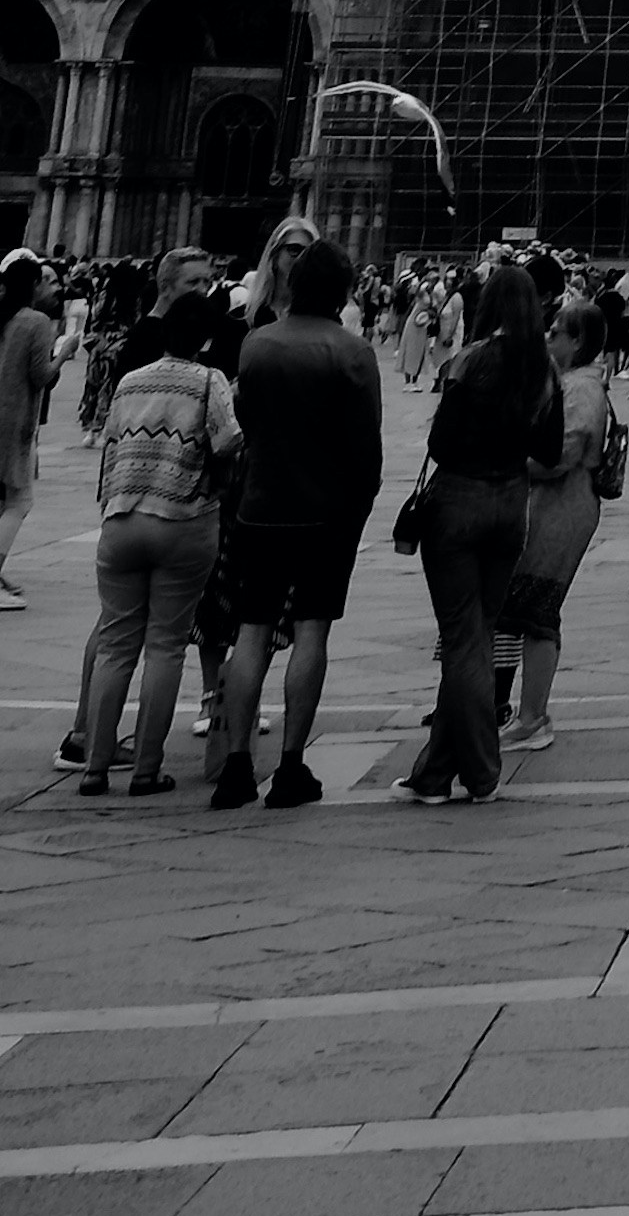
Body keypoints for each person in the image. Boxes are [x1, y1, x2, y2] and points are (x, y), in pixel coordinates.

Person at [211, 231, 382, 811]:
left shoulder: (256, 344)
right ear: (344, 291)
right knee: (311, 630)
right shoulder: (353, 352)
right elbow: (367, 451)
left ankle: (236, 765)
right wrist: (358, 511)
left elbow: (248, 424)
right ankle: (289, 766)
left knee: (251, 632)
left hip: (260, 507)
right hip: (326, 513)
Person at [78, 254, 238, 800]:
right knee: (165, 646)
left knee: (116, 646)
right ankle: (146, 770)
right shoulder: (209, 380)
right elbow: (229, 440)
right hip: (182, 521)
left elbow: (110, 447)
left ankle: (95, 767)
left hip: (121, 519)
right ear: (206, 338)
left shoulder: (129, 381)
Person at [405, 248, 561, 802]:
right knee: (479, 634)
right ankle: (433, 774)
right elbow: (549, 448)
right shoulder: (545, 370)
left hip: (460, 502)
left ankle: (482, 772)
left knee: (461, 639)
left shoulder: (469, 361)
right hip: (510, 507)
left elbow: (439, 442)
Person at [495, 277, 621, 753]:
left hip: (563, 506)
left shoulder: (581, 389)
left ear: (578, 341)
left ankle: (532, 717)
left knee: (539, 611)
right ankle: (527, 712)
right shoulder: (572, 382)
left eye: (556, 333)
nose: (549, 338)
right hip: (555, 504)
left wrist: (507, 460)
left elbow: (563, 454)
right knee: (530, 609)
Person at [0, 241, 61, 607]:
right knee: (19, 502)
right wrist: (66, 353)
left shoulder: (4, 316)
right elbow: (41, 376)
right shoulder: (36, 322)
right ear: (33, 285)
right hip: (15, 422)